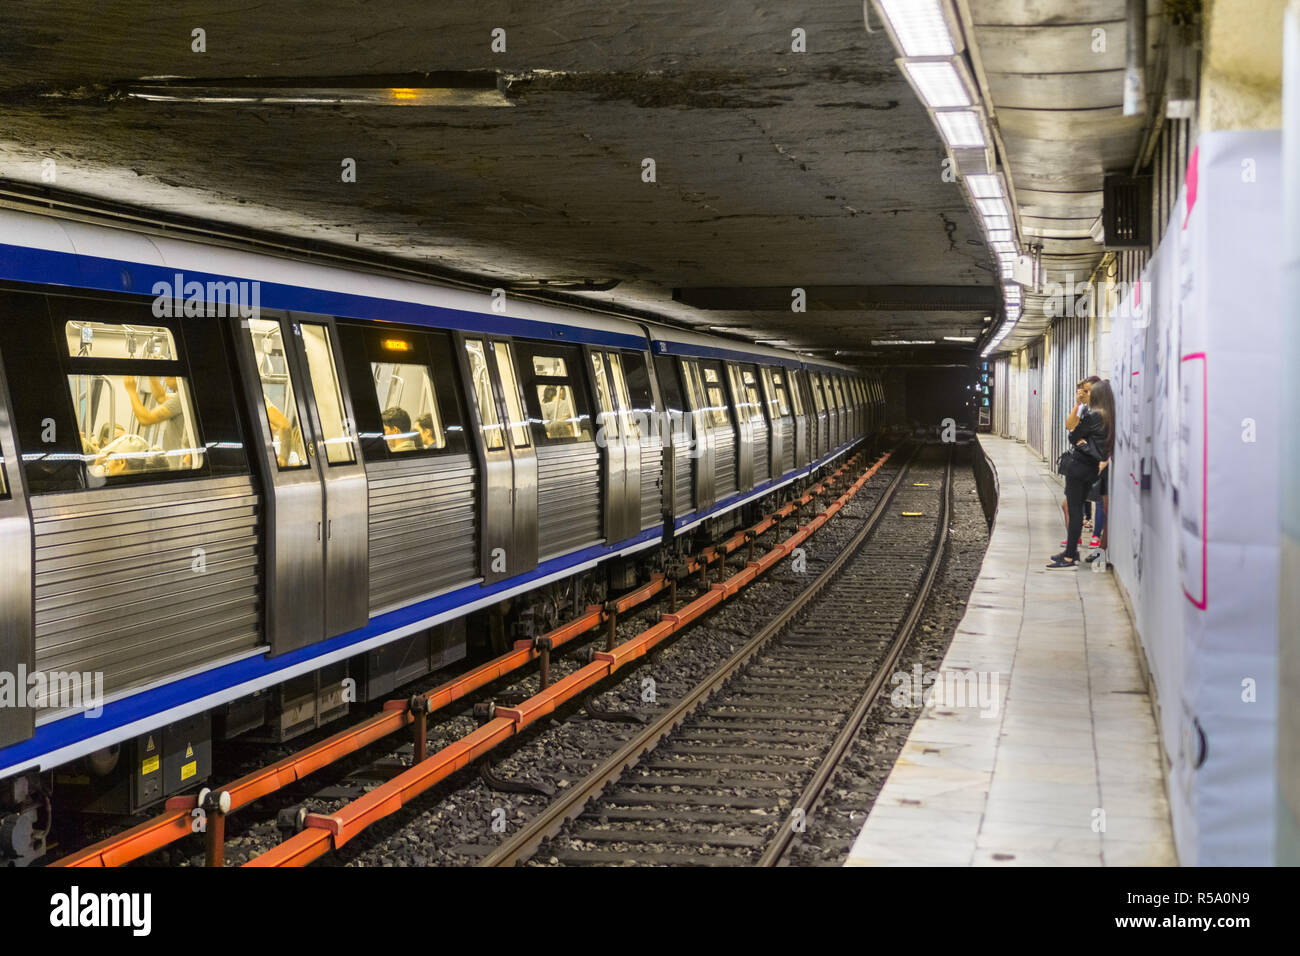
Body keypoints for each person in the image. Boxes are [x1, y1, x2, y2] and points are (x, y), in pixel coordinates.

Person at [1048, 379, 1114, 569]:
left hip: (1082, 467)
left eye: (1088, 391)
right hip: (1094, 468)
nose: (1085, 394)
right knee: (1083, 509)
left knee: (1077, 510)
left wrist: (1084, 444)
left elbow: (1072, 435)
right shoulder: (1109, 416)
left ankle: (1071, 556)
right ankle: (1075, 552)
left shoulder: (1093, 415)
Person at [1060, 376, 1101, 546]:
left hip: (1094, 463)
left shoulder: (1099, 412)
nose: (1084, 393)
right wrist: (1077, 404)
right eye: (1082, 390)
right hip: (1082, 463)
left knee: (1097, 503)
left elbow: (1076, 436)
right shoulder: (1083, 409)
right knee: (1069, 505)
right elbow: (1070, 426)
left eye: (1087, 390)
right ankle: (1074, 540)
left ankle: (1094, 538)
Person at [123, 375, 187, 468]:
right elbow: (161, 397)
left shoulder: (183, 396)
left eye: (167, 376)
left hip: (179, 463)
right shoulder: (181, 395)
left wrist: (131, 391)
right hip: (174, 460)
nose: (165, 379)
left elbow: (145, 419)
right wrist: (151, 375)